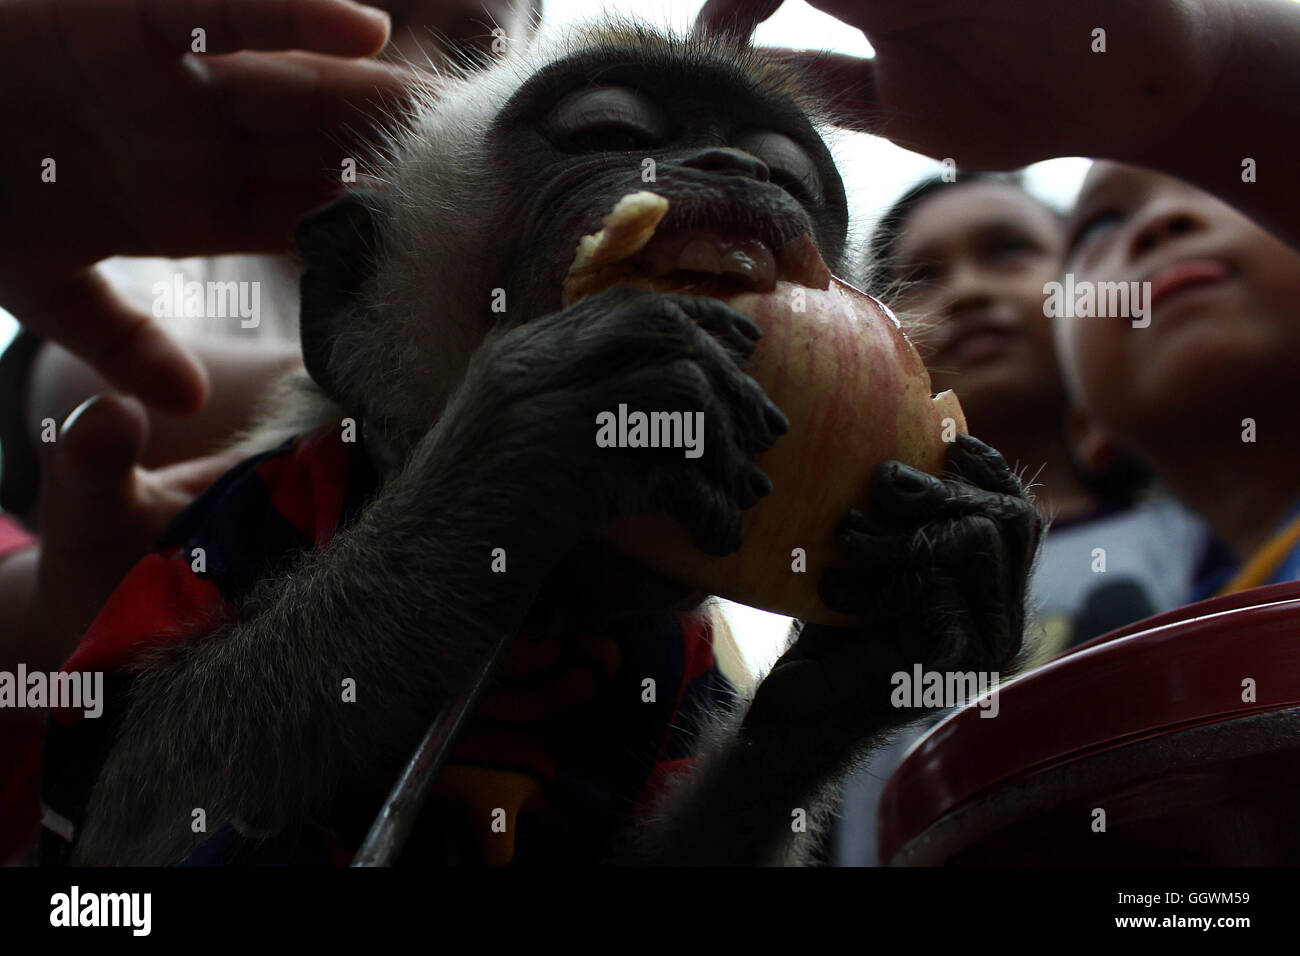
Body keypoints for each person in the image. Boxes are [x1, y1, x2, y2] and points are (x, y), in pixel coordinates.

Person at [1058, 161, 1300, 599]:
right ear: (1085, 425)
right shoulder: (1186, 642)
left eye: (1230, 182)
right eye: (1101, 226)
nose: (1159, 219)